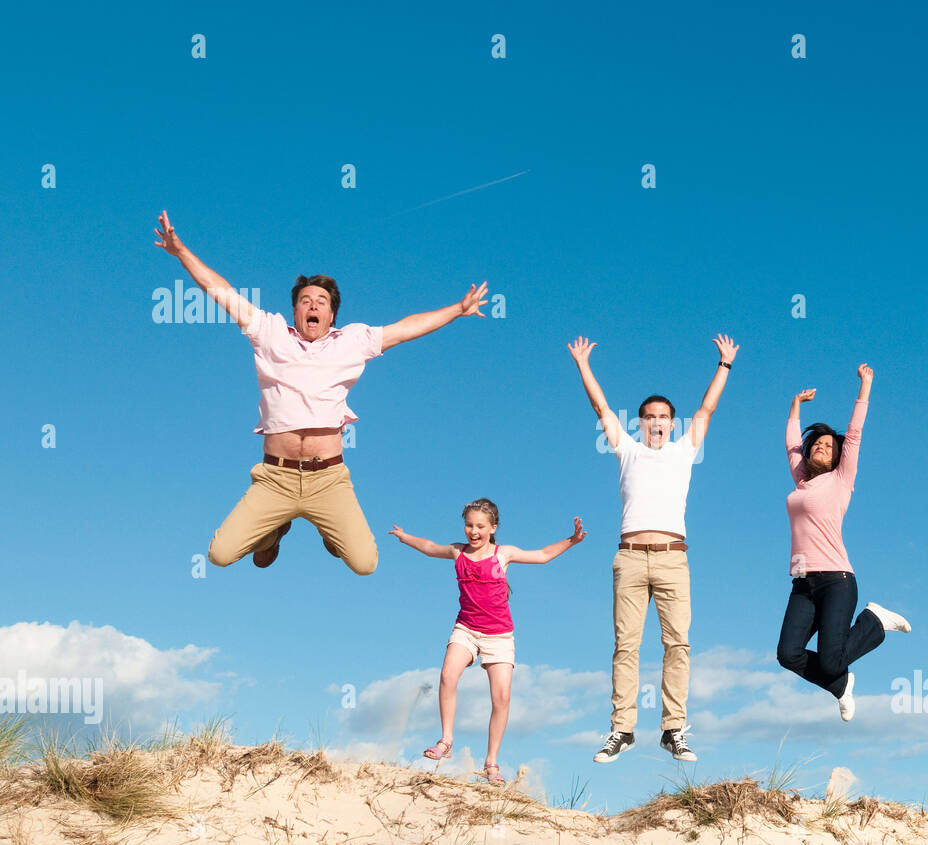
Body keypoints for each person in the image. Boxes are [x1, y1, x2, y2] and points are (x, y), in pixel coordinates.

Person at [154, 210, 487, 574]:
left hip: (328, 478)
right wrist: (181, 251)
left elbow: (405, 329)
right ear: (295, 310)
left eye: (322, 302)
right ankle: (274, 530)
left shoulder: (353, 341)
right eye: (305, 300)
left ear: (332, 316)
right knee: (219, 555)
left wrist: (457, 309)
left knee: (365, 564)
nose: (313, 305)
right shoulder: (269, 332)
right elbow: (223, 293)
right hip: (275, 478)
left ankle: (330, 530)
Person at [568, 334, 739, 764]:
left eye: (664, 417)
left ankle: (673, 729)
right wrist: (584, 365)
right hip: (629, 557)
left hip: (672, 558)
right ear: (641, 422)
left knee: (678, 644)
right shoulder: (628, 451)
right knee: (626, 645)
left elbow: (707, 410)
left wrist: (725, 365)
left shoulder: (684, 451)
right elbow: (602, 409)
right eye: (649, 417)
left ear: (672, 423)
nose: (657, 423)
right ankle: (621, 730)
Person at [390, 499, 586, 785]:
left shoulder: (502, 554)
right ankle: (445, 741)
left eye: (480, 526)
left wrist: (573, 540)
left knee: (502, 697)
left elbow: (542, 555)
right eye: (469, 525)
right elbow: (430, 547)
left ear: (493, 528)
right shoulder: (457, 551)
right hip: (466, 629)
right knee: (447, 675)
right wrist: (405, 537)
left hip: (499, 635)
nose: (473, 531)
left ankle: (491, 762)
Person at [777, 368, 911, 722]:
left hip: (837, 580)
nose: (821, 447)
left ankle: (875, 621)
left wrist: (865, 387)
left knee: (832, 658)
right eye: (816, 444)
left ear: (837, 458)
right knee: (788, 654)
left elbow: (854, 434)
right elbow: (791, 443)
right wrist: (795, 407)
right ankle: (839, 686)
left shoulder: (840, 480)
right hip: (803, 584)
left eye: (828, 447)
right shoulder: (801, 481)